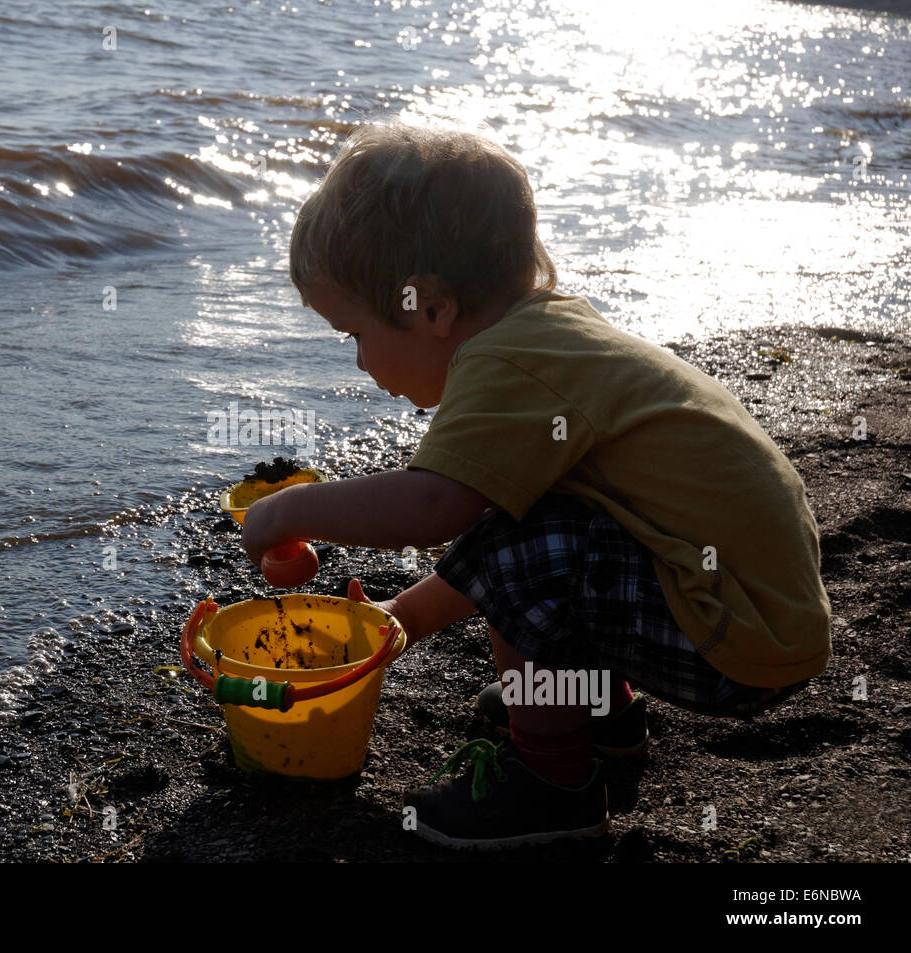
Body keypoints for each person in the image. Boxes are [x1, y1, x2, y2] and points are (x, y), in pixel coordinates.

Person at [239, 121, 831, 851]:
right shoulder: (548, 335)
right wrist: (406, 617)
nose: (359, 361)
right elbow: (506, 533)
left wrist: (287, 509)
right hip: (756, 612)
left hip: (735, 640)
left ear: (430, 307)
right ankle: (597, 715)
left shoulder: (507, 365)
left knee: (533, 536)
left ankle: (551, 782)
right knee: (542, 517)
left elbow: (434, 510)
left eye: (353, 334)